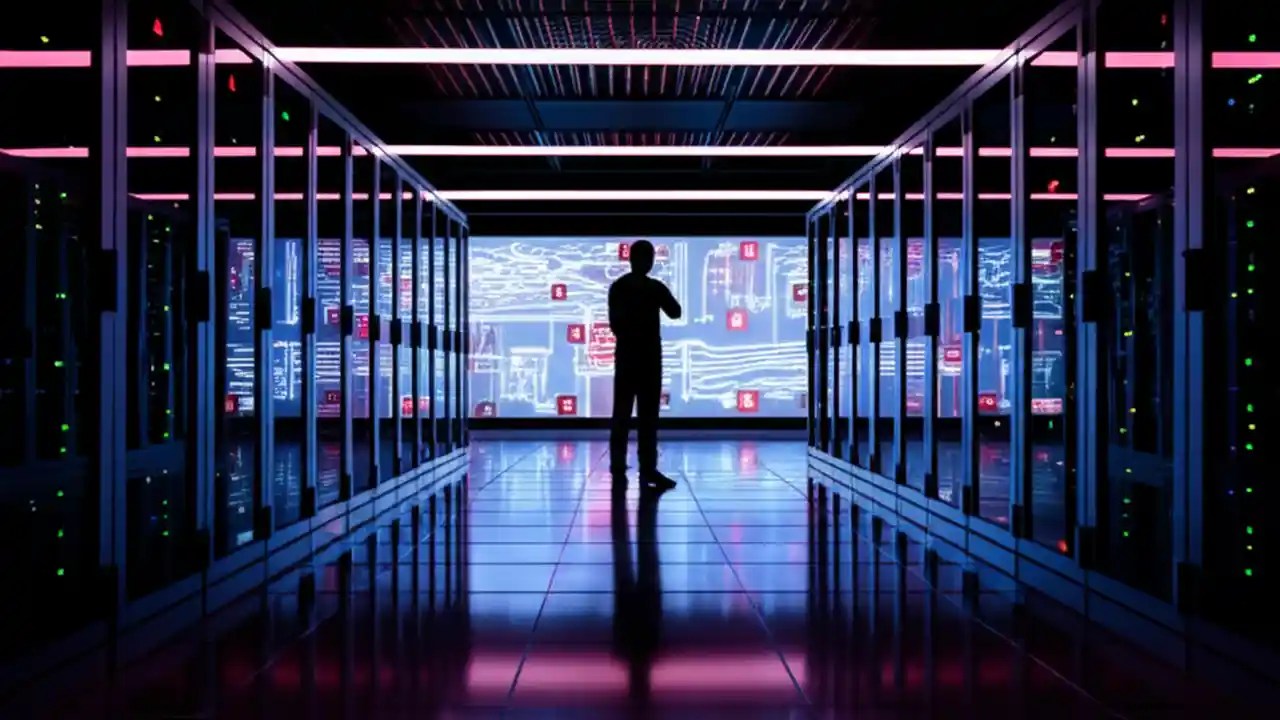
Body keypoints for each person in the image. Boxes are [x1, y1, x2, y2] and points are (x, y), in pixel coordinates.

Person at [607, 240, 681, 487]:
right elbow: (676, 311)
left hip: (627, 357)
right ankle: (648, 469)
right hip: (649, 359)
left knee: (622, 413)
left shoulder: (618, 287)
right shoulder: (655, 288)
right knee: (648, 417)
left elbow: (615, 325)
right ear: (649, 261)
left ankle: (617, 465)